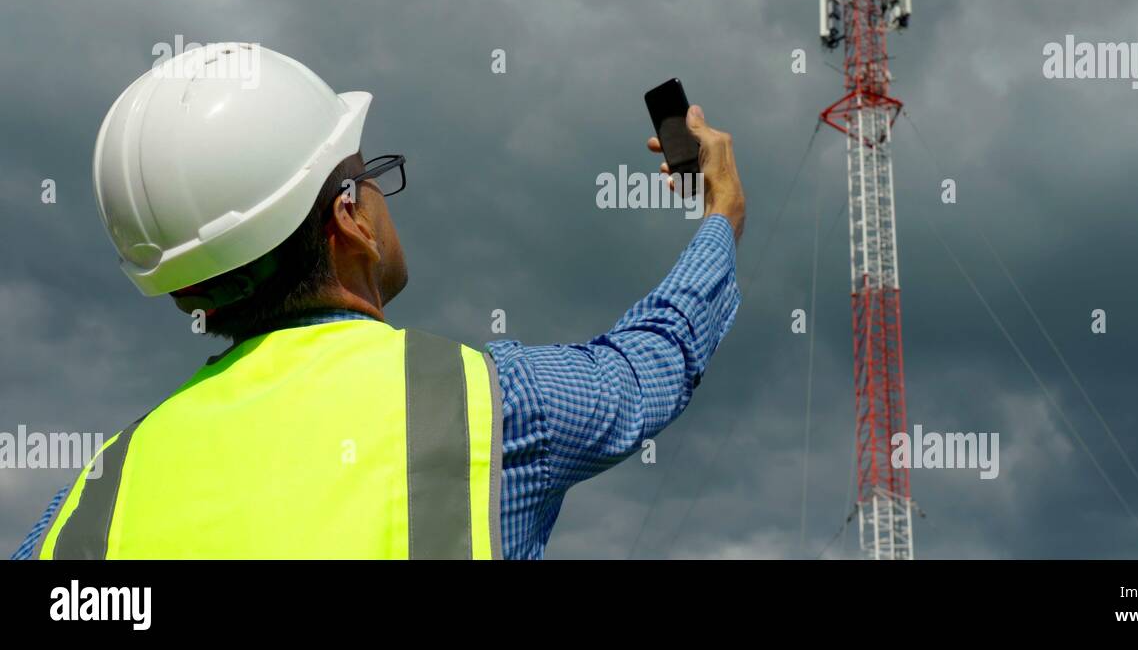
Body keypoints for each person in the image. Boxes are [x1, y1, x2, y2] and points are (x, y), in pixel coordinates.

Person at [10, 43, 744, 560]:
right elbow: (654, 359)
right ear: (349, 220)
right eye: (371, 176)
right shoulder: (490, 404)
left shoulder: (94, 495)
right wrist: (721, 216)